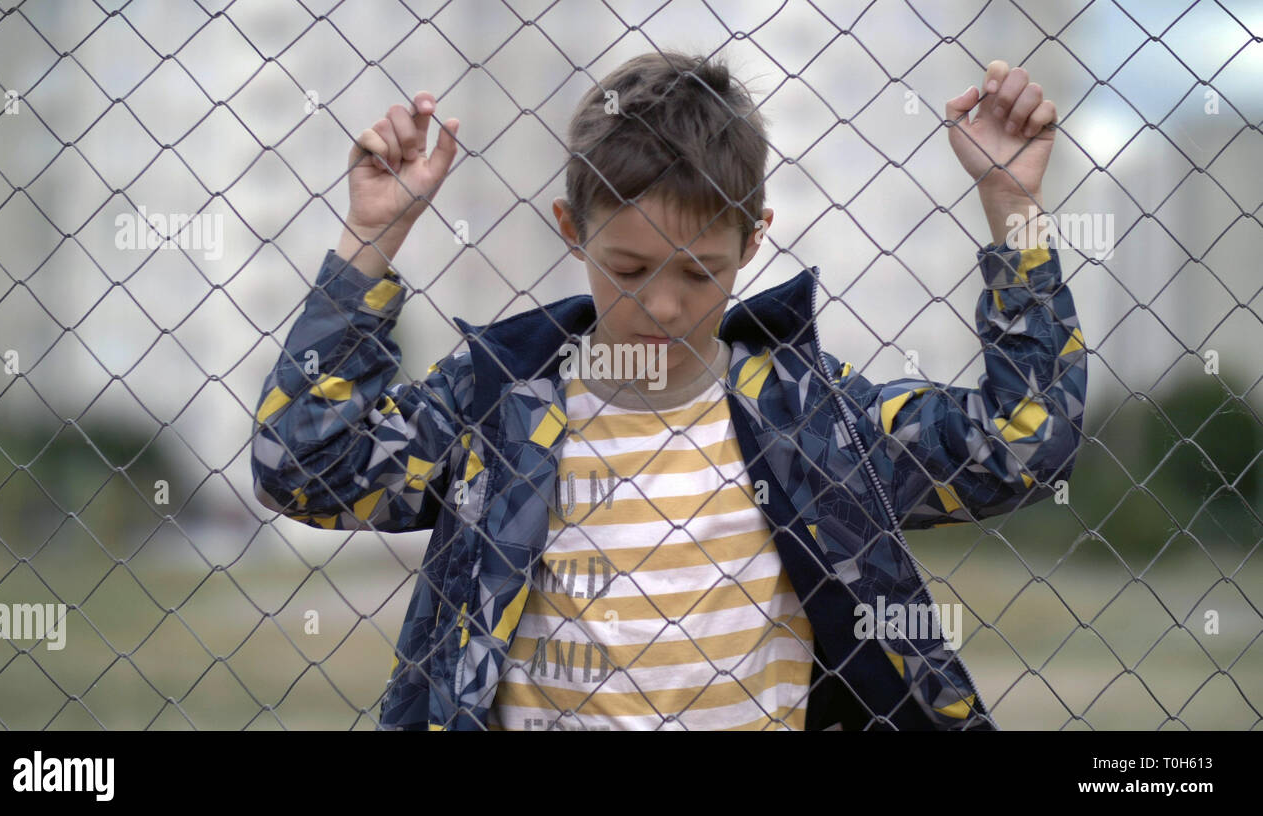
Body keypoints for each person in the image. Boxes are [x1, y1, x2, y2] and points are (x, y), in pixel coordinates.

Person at [250, 51, 1086, 730]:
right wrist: (373, 236)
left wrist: (1013, 206)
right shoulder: (497, 403)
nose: (662, 304)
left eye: (699, 271)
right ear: (570, 228)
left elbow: (1023, 442)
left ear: (754, 241)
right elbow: (306, 465)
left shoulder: (813, 421)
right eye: (628, 268)